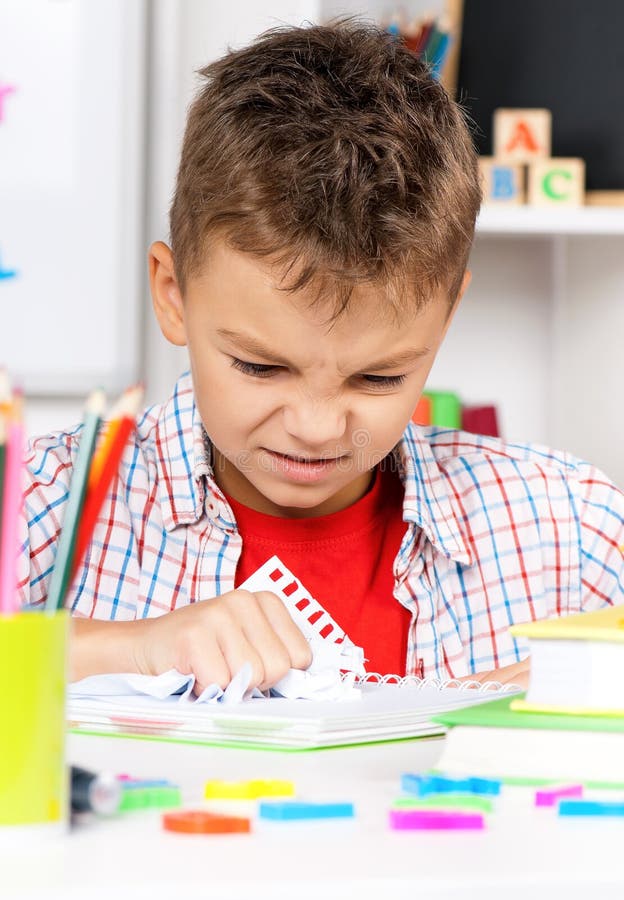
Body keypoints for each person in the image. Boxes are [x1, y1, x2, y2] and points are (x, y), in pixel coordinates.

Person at [19, 22, 624, 693]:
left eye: (378, 377)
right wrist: (128, 649)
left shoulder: (572, 527)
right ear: (173, 296)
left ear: (448, 315)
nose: (315, 427)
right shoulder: (45, 502)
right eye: (261, 367)